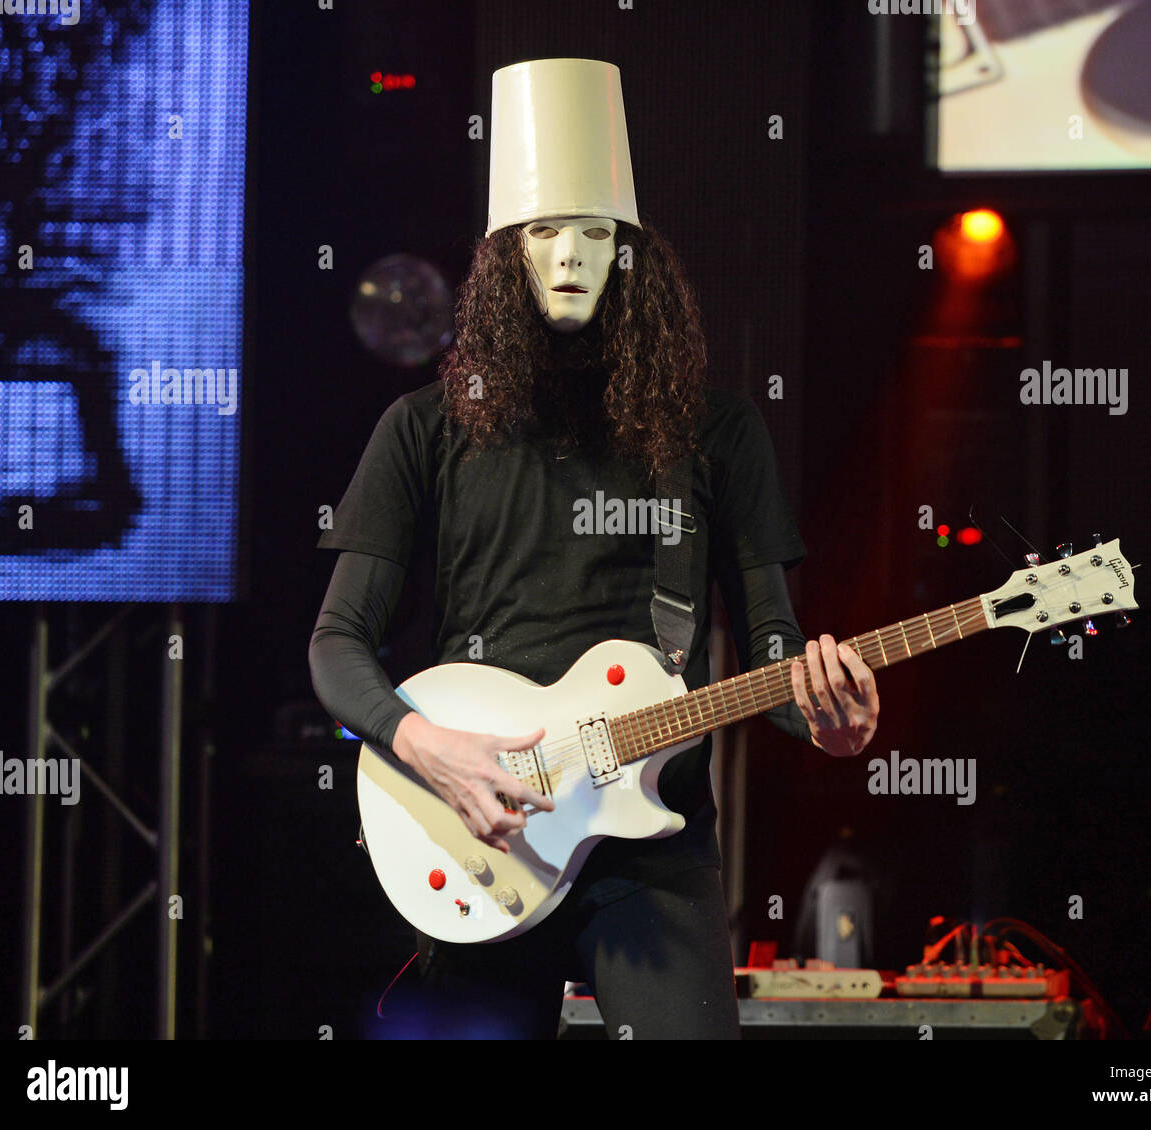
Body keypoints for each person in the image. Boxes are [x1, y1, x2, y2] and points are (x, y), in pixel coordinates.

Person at [308, 59, 879, 1039]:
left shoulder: (716, 434)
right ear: (500, 258)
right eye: (542, 232)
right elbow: (336, 645)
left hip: (650, 851)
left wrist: (826, 721)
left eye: (595, 232)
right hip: (477, 828)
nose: (568, 256)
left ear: (633, 256)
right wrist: (430, 748)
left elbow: (770, 647)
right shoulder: (422, 429)